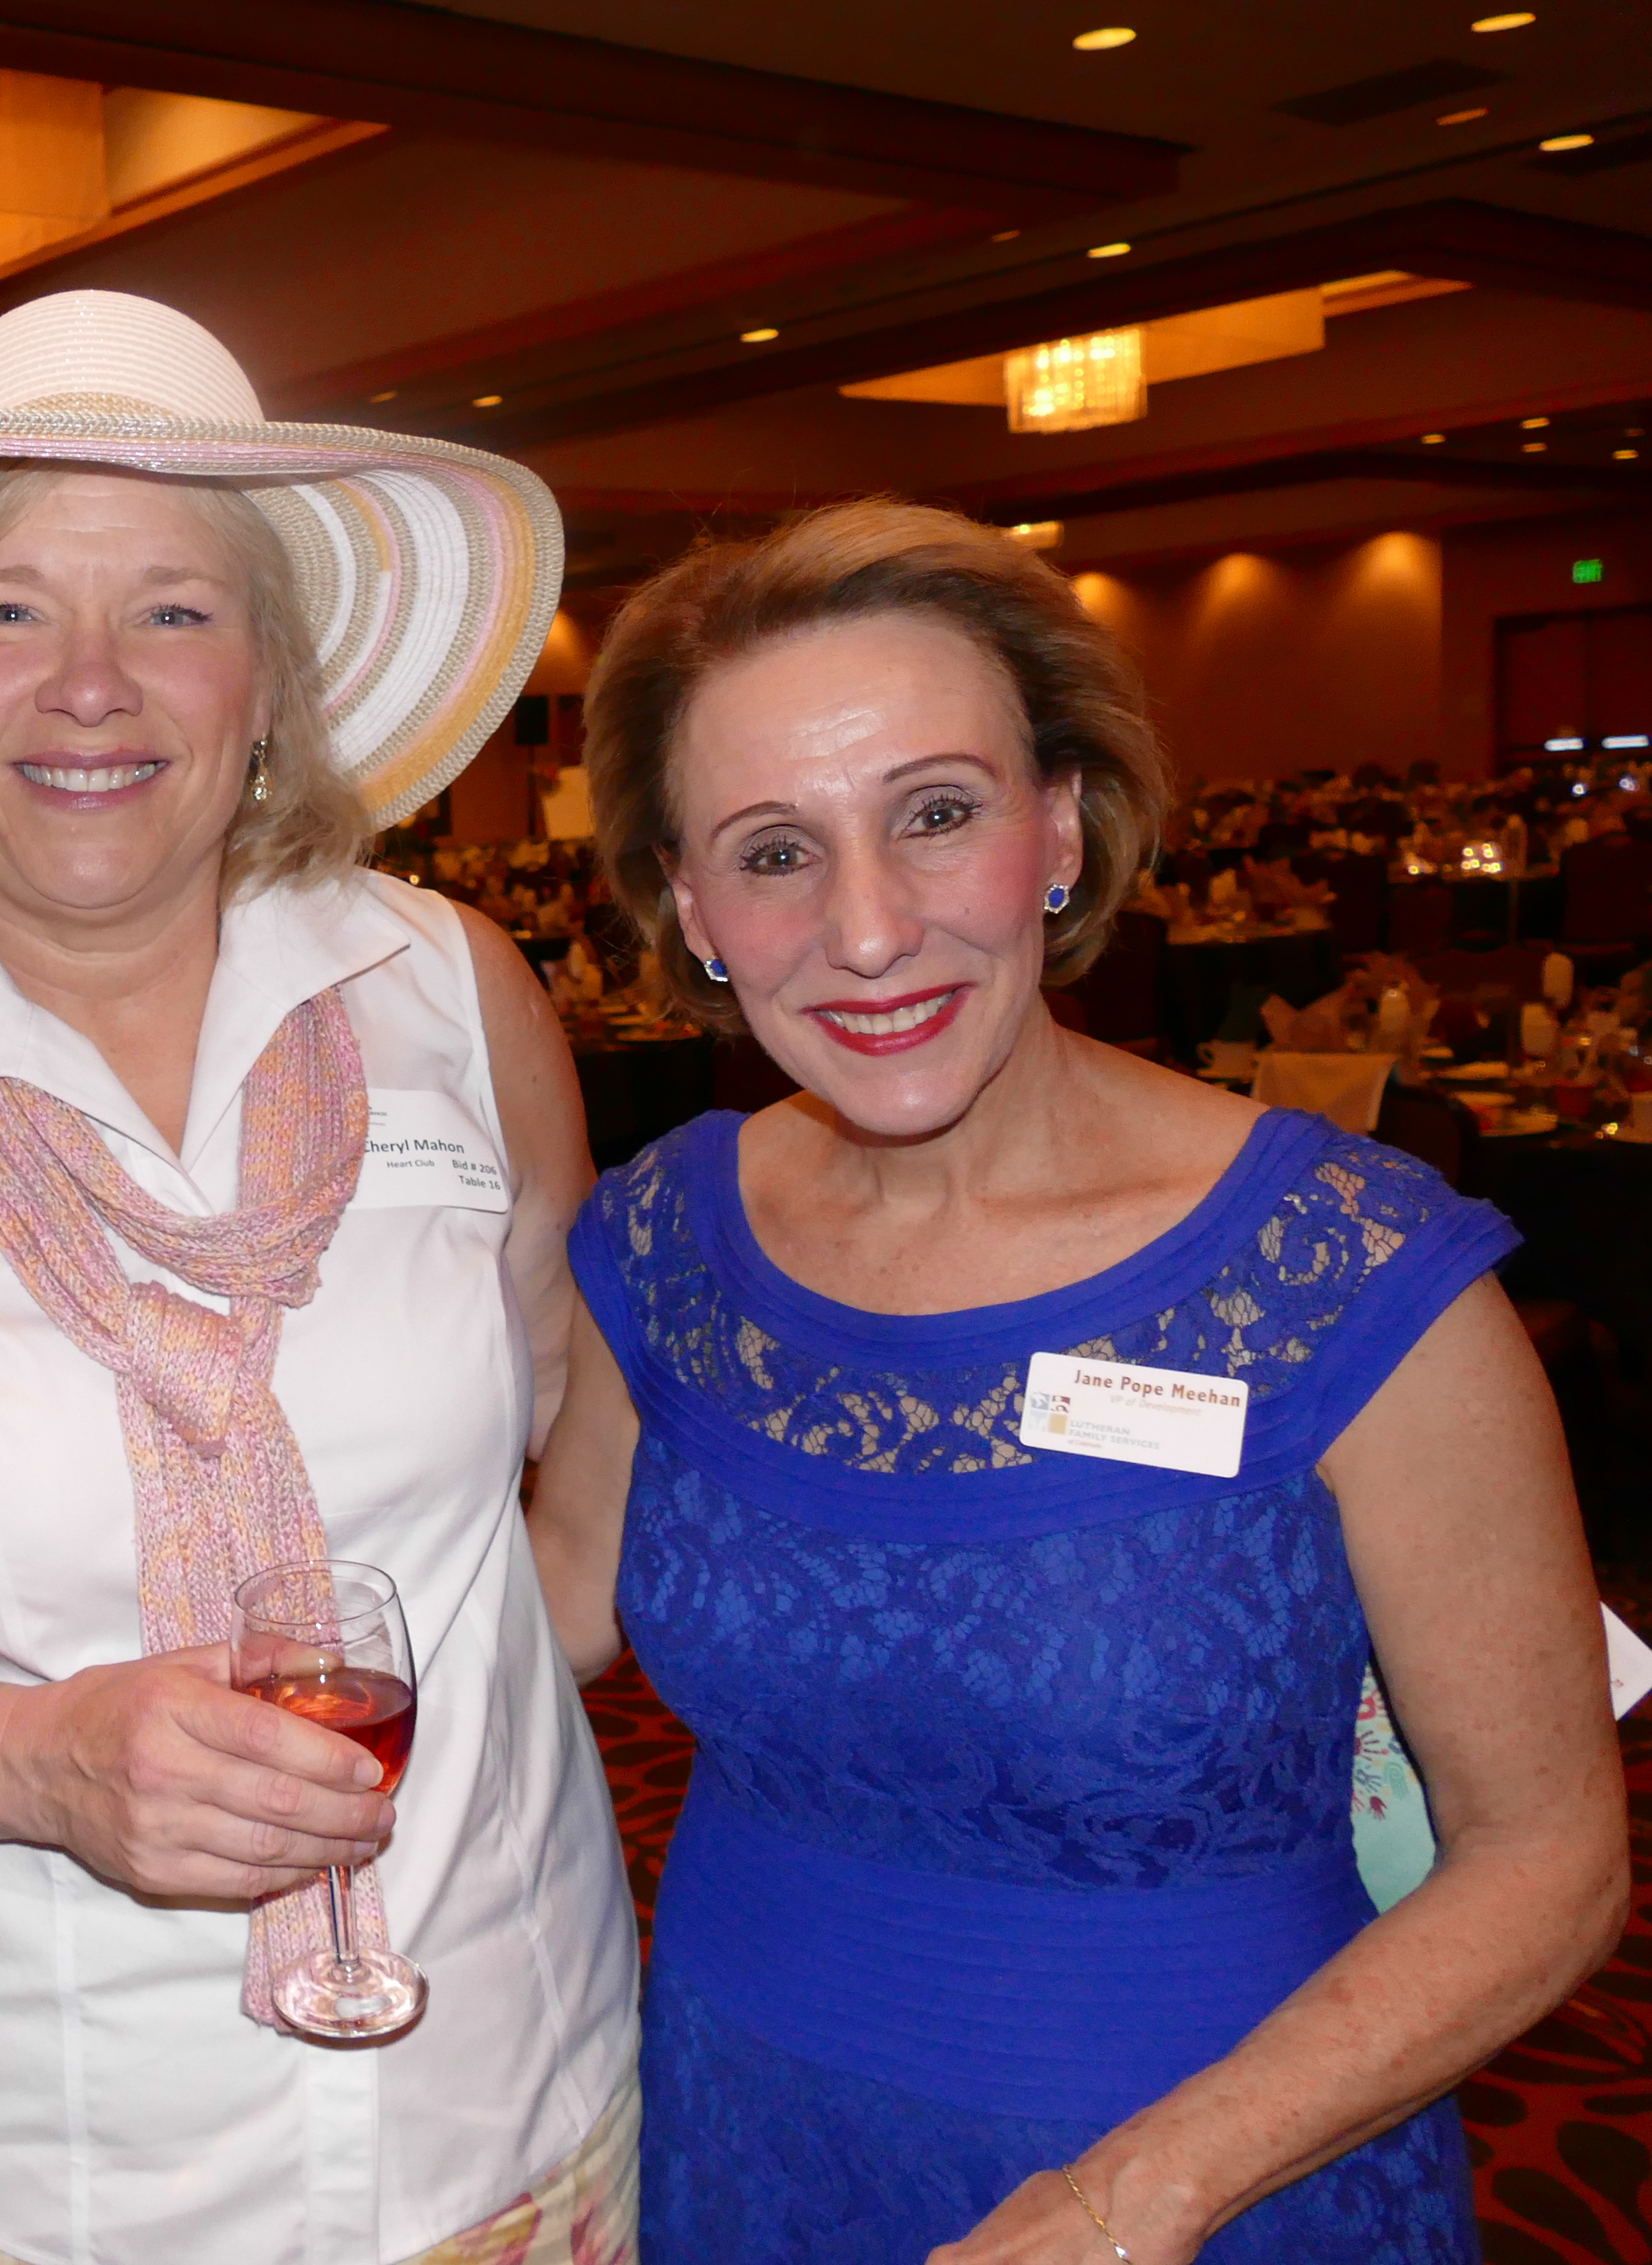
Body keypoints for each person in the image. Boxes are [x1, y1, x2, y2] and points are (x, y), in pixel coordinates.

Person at [0, 291, 639, 2265]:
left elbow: (569, 1403)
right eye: (8, 609)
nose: (91, 683)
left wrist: (529, 1670)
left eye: (176, 610)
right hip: (41, 2175)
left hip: (514, 2114)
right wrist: (40, 1759)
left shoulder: (452, 994)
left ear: (267, 683)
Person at [526, 500, 1626, 2264]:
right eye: (774, 851)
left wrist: (1139, 2199)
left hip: (1216, 2178)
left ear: (1062, 825)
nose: (869, 931)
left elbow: (1550, 1866)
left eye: (937, 816)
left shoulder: (1351, 1274)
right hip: (741, 2129)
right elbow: (548, 1607)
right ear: (688, 905)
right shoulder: (664, 1242)